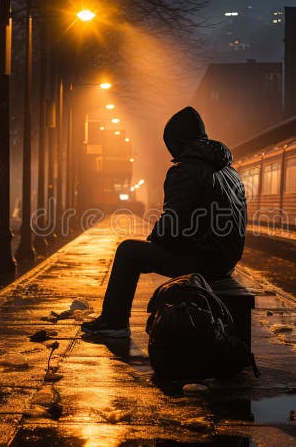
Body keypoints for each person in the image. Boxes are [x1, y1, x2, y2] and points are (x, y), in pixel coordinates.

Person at [81, 107, 247, 338]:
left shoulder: (186, 171)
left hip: (203, 261)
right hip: (226, 261)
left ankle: (114, 322)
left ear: (175, 141)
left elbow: (173, 223)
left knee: (128, 251)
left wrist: (157, 238)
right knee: (138, 250)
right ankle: (113, 322)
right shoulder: (229, 171)